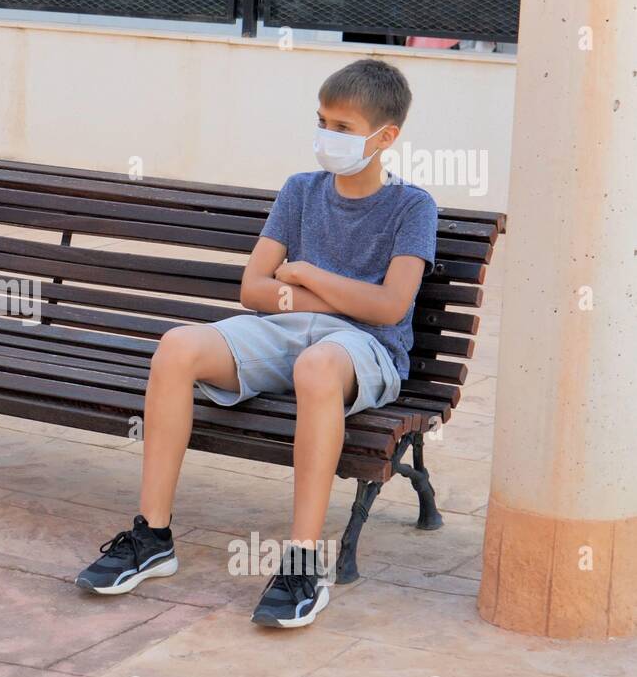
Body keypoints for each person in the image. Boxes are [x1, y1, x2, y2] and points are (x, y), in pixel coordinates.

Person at [74, 58, 438, 628]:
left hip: (364, 348)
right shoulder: (300, 191)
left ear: (386, 136)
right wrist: (328, 294)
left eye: (343, 127)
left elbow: (389, 307)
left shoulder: (412, 207)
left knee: (317, 367)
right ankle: (153, 537)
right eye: (322, 121)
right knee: (176, 347)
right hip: (283, 331)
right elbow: (253, 288)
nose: (327, 136)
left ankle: (302, 563)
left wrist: (308, 274)